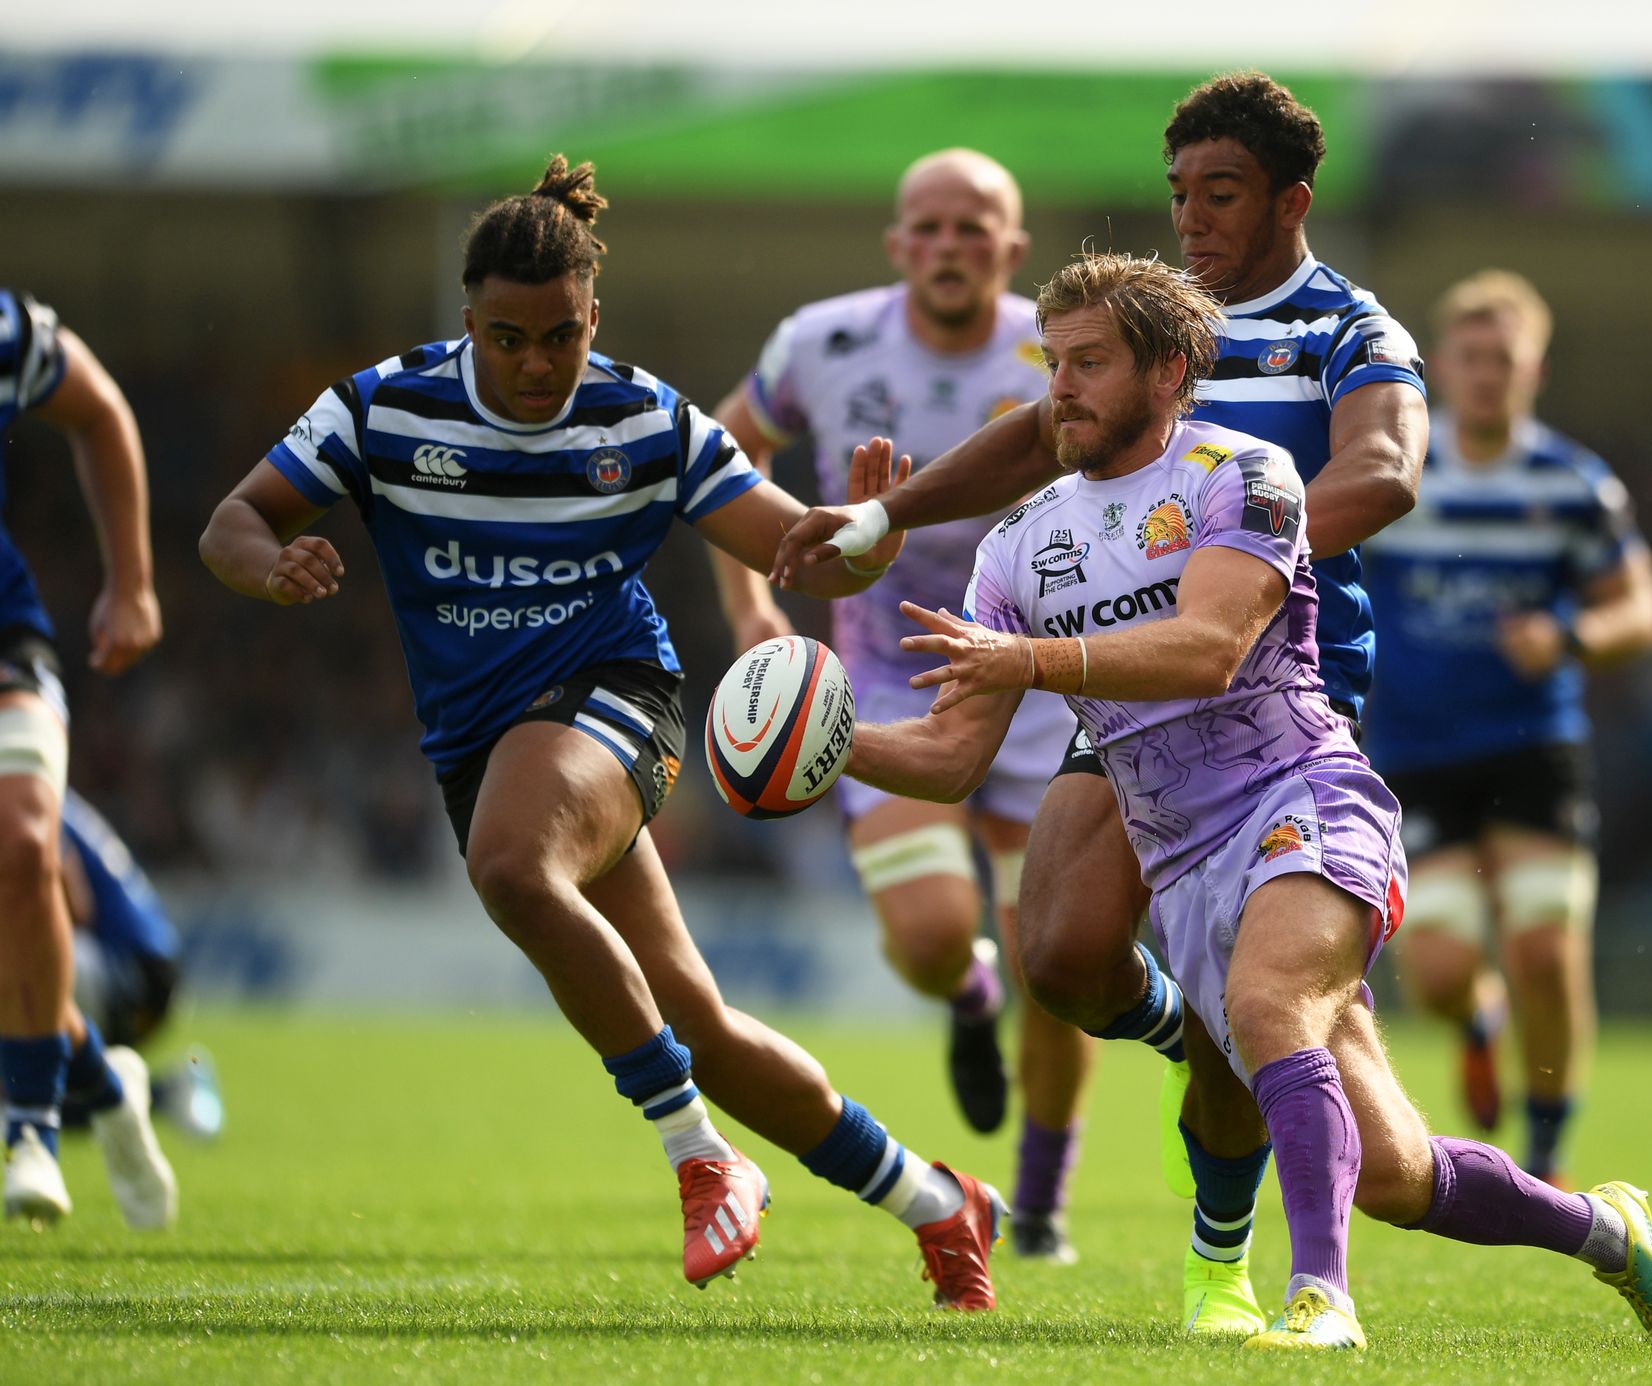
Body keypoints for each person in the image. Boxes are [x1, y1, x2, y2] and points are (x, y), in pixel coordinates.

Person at [844, 250, 1652, 1352]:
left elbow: (1209, 648)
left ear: (1168, 372)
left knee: (1266, 1010)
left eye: (1089, 364)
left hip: (1301, 791)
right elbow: (951, 755)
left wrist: (1027, 661)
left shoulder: (1245, 474)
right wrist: (829, 746)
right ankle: (1605, 1230)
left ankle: (1319, 1302)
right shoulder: (1018, 547)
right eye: (1051, 363)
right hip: (1180, 854)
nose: (1060, 388)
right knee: (1397, 1176)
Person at [197, 157, 1002, 1308]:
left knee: (512, 868)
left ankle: (698, 1157)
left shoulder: (646, 417)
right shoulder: (382, 406)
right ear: (467, 321)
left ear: (592, 319)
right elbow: (234, 520)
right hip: (479, 742)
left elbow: (795, 545)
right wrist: (268, 567)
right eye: (507, 338)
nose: (535, 364)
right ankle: (936, 1201)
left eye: (559, 337)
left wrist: (866, 533)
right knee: (703, 1027)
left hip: (619, 700)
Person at [771, 72, 1428, 1332]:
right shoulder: (1138, 325)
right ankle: (1214, 1039)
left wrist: (1222, 575)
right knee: (1064, 959)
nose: (1191, 216)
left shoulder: (1349, 330)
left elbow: (1385, 471)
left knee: (1369, 1137)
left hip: (1268, 694)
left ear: (1292, 200)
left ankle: (1247, 1259)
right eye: (1179, 191)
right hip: (1121, 682)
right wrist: (881, 514)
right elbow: (1037, 441)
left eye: (1220, 193)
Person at [704, 148, 1091, 1260]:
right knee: (928, 940)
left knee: (1058, 969)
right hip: (883, 672)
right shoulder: (821, 342)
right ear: (896, 245)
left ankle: (1043, 1204)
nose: (949, 245)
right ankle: (964, 999)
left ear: (1012, 251)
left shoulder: (1059, 354)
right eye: (928, 226)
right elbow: (724, 454)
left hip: (1037, 669)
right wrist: (749, 612)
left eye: (975, 228)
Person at [1364, 270, 1652, 1183]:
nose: (1489, 374)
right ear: (1441, 367)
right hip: (1413, 753)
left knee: (1546, 946)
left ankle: (1545, 1146)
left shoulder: (1572, 484)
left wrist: (1572, 636)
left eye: (1507, 358)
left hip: (1534, 747)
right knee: (1443, 971)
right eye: (1472, 357)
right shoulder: (1400, 473)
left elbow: (1643, 611)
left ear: (1534, 368)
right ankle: (1477, 1022)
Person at [0, 289, 177, 1229]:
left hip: (5, 642)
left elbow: (100, 409)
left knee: (27, 850)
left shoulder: (1, 329)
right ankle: (105, 1083)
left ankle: (28, 1131)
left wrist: (133, 582)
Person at [60, 791, 225, 1142]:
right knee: (25, 1095)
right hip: (142, 969)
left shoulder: (17, 790)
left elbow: (76, 909)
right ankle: (161, 1094)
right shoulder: (32, 774)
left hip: (133, 974)